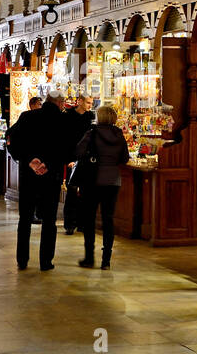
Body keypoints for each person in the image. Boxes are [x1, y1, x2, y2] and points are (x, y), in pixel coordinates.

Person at [8, 89, 71, 270]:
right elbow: (67, 150)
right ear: (60, 103)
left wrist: (29, 161)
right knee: (49, 220)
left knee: (25, 217)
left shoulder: (27, 117)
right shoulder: (63, 121)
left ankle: (22, 259)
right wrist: (48, 164)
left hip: (28, 176)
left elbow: (12, 140)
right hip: (51, 176)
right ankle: (45, 261)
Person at [74, 104, 130, 269]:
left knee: (89, 219)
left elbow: (78, 152)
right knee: (108, 219)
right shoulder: (119, 135)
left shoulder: (92, 133)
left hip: (92, 180)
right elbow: (125, 158)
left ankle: (89, 257)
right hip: (113, 181)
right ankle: (106, 260)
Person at [61, 95, 95, 234]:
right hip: (72, 159)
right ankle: (70, 223)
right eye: (88, 102)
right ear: (79, 101)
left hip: (86, 159)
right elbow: (64, 140)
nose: (90, 105)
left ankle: (82, 223)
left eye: (91, 103)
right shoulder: (68, 116)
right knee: (72, 192)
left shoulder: (90, 117)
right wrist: (68, 159)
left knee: (85, 192)